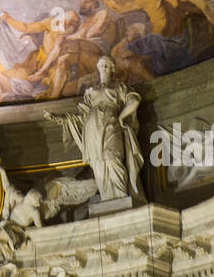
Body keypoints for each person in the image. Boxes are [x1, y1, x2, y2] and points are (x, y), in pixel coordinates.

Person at [45, 57, 145, 203]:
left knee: (113, 158)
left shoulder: (119, 87)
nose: (104, 68)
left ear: (112, 69)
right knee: (98, 163)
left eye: (107, 65)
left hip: (112, 125)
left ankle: (121, 195)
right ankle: (106, 198)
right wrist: (60, 119)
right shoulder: (91, 91)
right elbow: (81, 117)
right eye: (101, 65)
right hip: (92, 129)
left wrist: (121, 117)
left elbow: (134, 100)